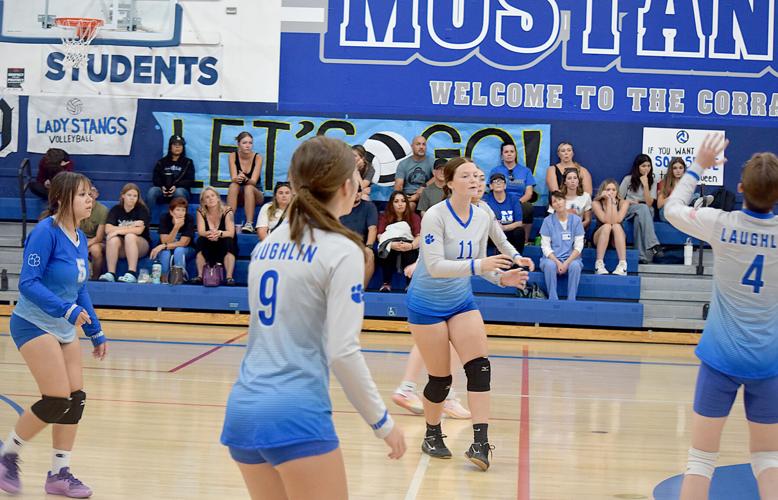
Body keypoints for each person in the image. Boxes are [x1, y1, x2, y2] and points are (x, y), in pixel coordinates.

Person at [221, 136, 405, 500]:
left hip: (243, 410)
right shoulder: (342, 250)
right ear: (347, 185)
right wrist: (382, 422)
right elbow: (343, 352)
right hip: (295, 413)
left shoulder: (266, 246)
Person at [664, 136, 778, 500]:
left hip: (721, 358)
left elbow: (672, 209)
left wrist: (699, 165)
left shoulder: (720, 223)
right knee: (768, 459)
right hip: (768, 362)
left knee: (700, 460)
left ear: (740, 188)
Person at [405, 157, 529, 471]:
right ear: (449, 183)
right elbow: (436, 267)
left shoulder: (483, 213)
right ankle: (432, 434)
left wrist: (502, 277)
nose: (474, 180)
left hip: (461, 301)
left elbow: (488, 256)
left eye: (477, 175)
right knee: (441, 380)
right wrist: (480, 266)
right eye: (466, 175)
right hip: (426, 305)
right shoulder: (435, 216)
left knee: (480, 368)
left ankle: (480, 443)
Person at [0, 172, 107, 498]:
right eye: (82, 194)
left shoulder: (80, 237)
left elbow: (80, 288)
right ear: (62, 198)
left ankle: (59, 473)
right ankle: (7, 456)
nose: (90, 199)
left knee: (75, 399)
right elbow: (27, 283)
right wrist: (66, 310)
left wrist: (95, 329)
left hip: (63, 326)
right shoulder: (45, 232)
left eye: (90, 194)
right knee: (57, 399)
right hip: (33, 323)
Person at [99, 183, 151, 283]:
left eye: (135, 196)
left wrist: (117, 230)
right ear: (123, 195)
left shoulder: (142, 209)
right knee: (112, 239)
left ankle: (132, 273)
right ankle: (111, 273)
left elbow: (139, 230)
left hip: (141, 245)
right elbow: (108, 229)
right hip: (122, 247)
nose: (132, 198)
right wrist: (131, 225)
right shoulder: (116, 209)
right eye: (129, 195)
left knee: (130, 236)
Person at [539, 191, 585, 301]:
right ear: (551, 206)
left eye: (560, 199)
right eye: (554, 201)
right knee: (550, 265)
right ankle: (553, 298)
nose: (558, 203)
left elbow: (579, 246)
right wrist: (558, 262)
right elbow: (545, 247)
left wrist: (567, 263)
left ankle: (571, 299)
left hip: (571, 258)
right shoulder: (547, 221)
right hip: (552, 258)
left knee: (575, 266)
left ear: (565, 200)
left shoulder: (576, 220)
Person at [619, 154, 664, 264]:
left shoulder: (652, 181)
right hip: (629, 208)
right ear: (637, 167)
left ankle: (641, 257)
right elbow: (619, 199)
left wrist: (646, 185)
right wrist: (630, 202)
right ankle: (653, 244)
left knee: (640, 217)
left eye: (648, 166)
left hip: (645, 210)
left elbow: (649, 203)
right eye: (643, 166)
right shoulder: (628, 179)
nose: (646, 169)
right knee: (643, 209)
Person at [488, 142, 536, 242]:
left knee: (528, 208)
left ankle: (525, 240)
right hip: (500, 202)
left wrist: (515, 204)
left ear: (515, 154)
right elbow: (491, 189)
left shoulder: (525, 171)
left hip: (519, 201)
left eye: (512, 151)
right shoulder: (495, 170)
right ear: (502, 155)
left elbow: (529, 193)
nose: (509, 154)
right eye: (506, 152)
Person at [377, 191, 421, 292]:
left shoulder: (414, 217)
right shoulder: (384, 216)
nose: (400, 204)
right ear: (391, 204)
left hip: (409, 244)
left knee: (411, 252)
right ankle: (386, 283)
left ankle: (410, 284)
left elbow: (419, 237)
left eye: (403, 201)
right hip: (390, 243)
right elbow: (380, 235)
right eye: (396, 201)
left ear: (406, 203)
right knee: (385, 251)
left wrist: (410, 246)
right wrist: (390, 244)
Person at [193, 187, 237, 285]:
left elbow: (231, 233)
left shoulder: (227, 210)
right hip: (209, 240)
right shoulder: (201, 211)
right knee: (200, 240)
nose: (211, 199)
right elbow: (201, 231)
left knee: (229, 241)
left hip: (224, 241)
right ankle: (200, 276)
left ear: (218, 198)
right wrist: (210, 234)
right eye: (207, 197)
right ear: (203, 202)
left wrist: (219, 233)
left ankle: (229, 277)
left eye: (213, 196)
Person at [149, 197, 196, 284]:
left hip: (186, 249)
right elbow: (164, 240)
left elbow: (183, 243)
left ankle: (179, 277)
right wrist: (176, 227)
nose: (181, 213)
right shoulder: (164, 218)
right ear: (171, 211)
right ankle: (164, 278)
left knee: (179, 250)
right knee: (165, 253)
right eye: (178, 210)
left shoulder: (189, 219)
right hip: (166, 248)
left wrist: (163, 246)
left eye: (183, 210)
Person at [339, 188, 378, 287]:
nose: (356, 193)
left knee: (369, 254)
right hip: (340, 244)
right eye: (354, 191)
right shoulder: (339, 206)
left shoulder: (369, 206)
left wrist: (369, 246)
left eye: (359, 191)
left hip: (360, 245)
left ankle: (361, 290)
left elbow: (372, 229)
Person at [227, 131, 263, 234]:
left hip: (255, 193)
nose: (248, 145)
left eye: (250, 143)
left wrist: (245, 179)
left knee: (248, 187)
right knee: (233, 185)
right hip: (239, 194)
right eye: (244, 143)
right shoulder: (232, 156)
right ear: (238, 144)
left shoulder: (258, 157)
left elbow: (254, 181)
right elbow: (233, 178)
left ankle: (249, 224)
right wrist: (238, 178)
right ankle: (228, 221)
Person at [145, 135, 195, 210]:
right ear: (170, 147)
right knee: (152, 191)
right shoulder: (161, 162)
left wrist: (176, 186)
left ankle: (179, 216)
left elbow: (190, 180)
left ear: (183, 147)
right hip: (163, 191)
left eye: (180, 145)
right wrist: (162, 187)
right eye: (175, 144)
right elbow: (156, 178)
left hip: (181, 192)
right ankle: (147, 216)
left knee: (179, 192)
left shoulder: (188, 162)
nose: (177, 147)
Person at [591, 179, 629, 275]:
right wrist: (608, 202)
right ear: (603, 191)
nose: (611, 192)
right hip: (600, 235)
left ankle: (622, 265)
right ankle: (599, 264)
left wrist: (613, 203)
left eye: (613, 190)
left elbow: (617, 220)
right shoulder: (596, 203)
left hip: (617, 237)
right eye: (608, 190)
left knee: (616, 226)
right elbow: (606, 220)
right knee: (607, 226)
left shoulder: (624, 203)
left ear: (617, 191)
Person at [657, 157, 711, 222]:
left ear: (684, 169)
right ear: (671, 170)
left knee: (695, 195)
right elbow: (659, 204)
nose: (678, 171)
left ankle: (698, 202)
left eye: (680, 168)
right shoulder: (664, 182)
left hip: (681, 210)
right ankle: (697, 203)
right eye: (675, 168)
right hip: (666, 212)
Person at [483, 172, 525, 253]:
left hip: (509, 231)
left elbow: (519, 222)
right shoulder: (485, 200)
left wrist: (504, 228)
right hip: (492, 232)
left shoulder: (513, 199)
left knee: (519, 231)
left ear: (505, 185)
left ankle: (518, 257)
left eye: (501, 181)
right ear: (491, 186)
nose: (498, 183)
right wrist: (494, 227)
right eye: (495, 181)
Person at [394, 136, 434, 211]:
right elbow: (398, 185)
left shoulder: (432, 161)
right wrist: (403, 198)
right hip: (408, 195)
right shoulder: (403, 163)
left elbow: (438, 177)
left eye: (423, 144)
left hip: (426, 194)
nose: (421, 147)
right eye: (418, 144)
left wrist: (424, 187)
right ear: (412, 146)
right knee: (410, 206)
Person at [79, 185, 108, 279]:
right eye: (86, 192)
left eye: (92, 191)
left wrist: (84, 245)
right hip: (81, 239)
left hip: (98, 241)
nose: (90, 194)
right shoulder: (77, 208)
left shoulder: (102, 210)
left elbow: (99, 237)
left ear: (97, 194)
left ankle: (95, 278)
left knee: (95, 250)